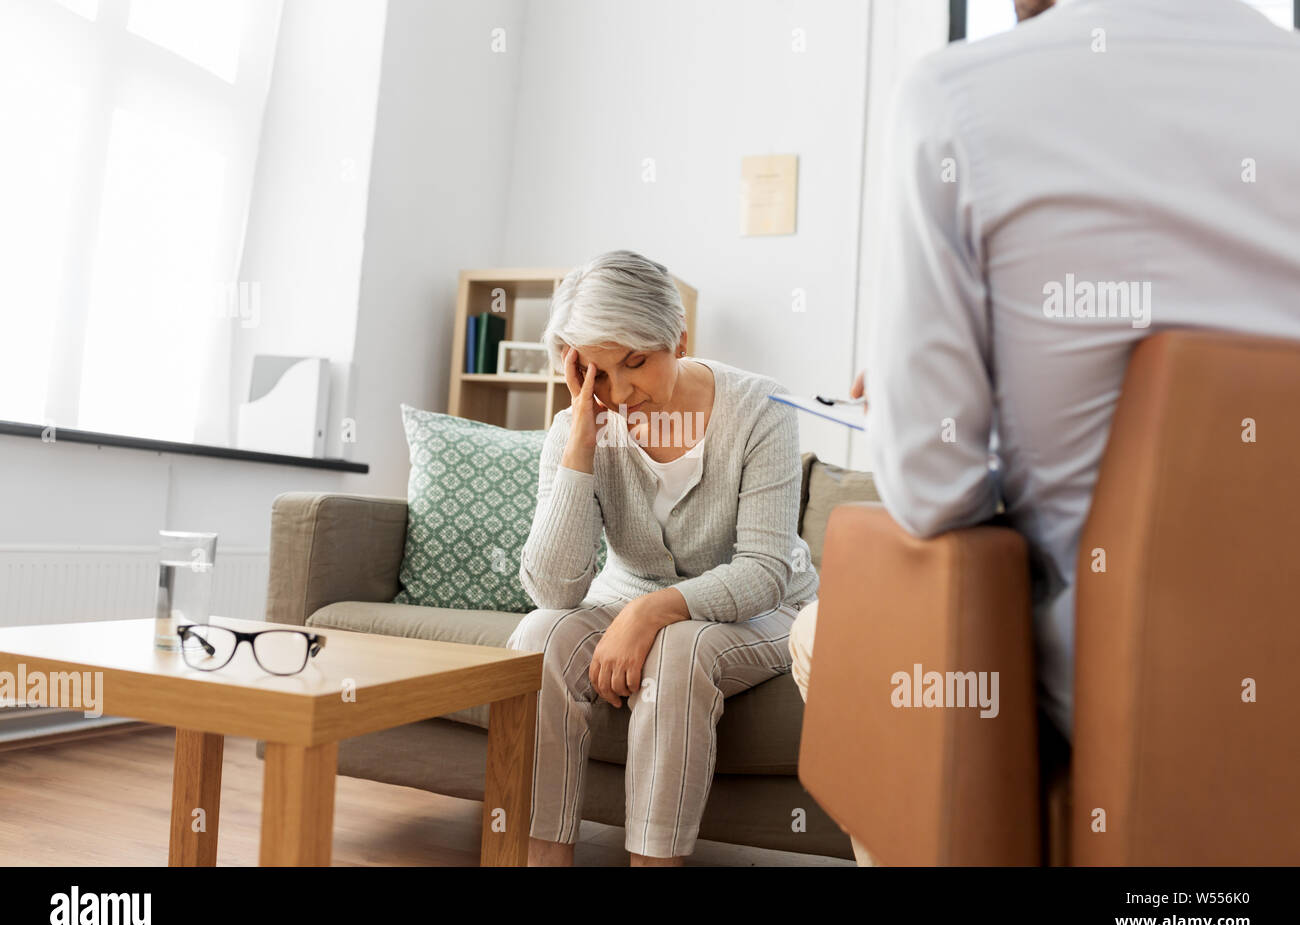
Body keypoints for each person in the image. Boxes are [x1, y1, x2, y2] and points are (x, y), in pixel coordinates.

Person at [789, 0, 1300, 865]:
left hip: (1134, 687)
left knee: (823, 631)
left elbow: (931, 490)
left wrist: (943, 404)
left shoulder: (959, 98)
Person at [507, 249, 819, 867]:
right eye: (596, 371)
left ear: (679, 339)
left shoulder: (763, 410)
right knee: (539, 637)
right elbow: (553, 590)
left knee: (681, 647)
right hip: (624, 598)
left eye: (636, 363)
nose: (620, 392)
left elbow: (763, 570)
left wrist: (653, 612)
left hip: (765, 609)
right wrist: (579, 445)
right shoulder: (585, 422)